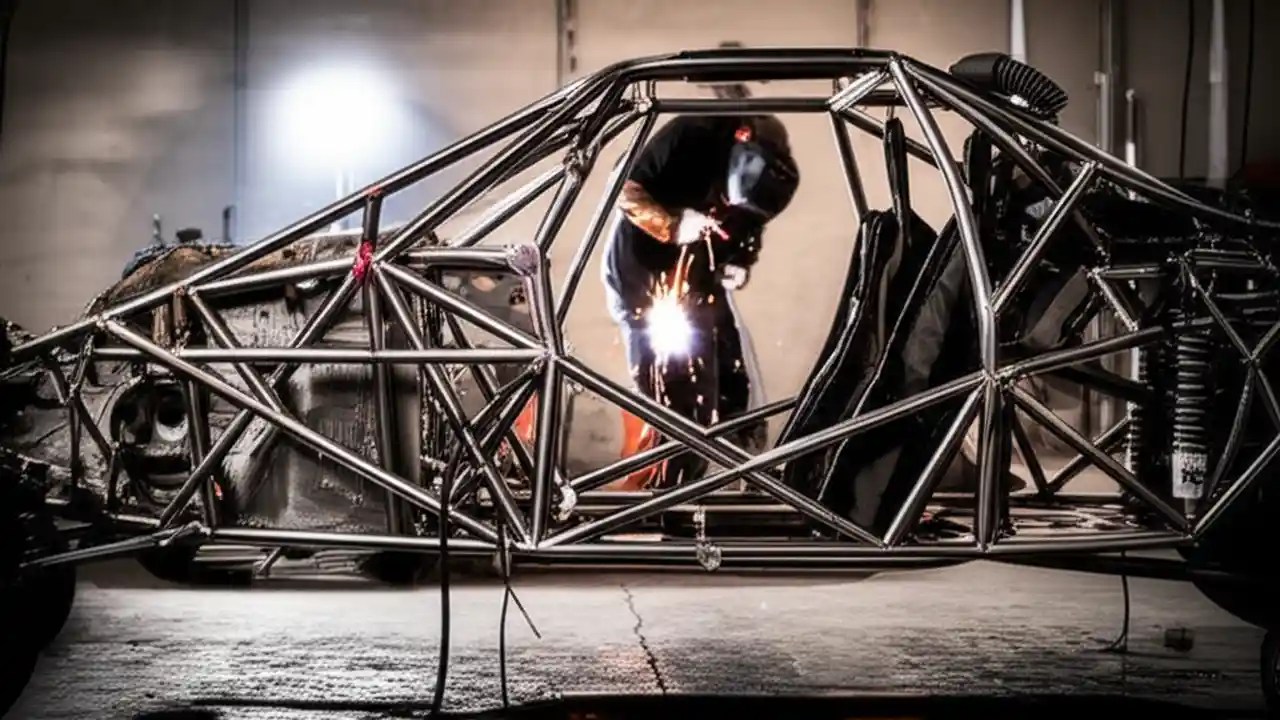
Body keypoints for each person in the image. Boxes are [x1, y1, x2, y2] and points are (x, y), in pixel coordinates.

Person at [601, 113, 799, 489]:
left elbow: (750, 225)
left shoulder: (770, 177)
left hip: (700, 280)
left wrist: (741, 261)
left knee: (730, 376)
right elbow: (624, 190)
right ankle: (664, 491)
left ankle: (740, 468)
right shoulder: (689, 136)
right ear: (741, 138)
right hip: (643, 275)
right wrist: (672, 225)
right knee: (671, 388)